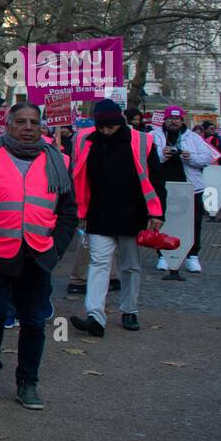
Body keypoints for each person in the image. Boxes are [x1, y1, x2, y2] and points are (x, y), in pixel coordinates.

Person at [0, 103, 77, 409]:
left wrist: (56, 248)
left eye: (34, 122)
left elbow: (69, 213)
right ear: (8, 125)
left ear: (41, 126)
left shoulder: (59, 160)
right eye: (21, 121)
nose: (28, 127)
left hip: (38, 254)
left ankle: (28, 381)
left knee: (33, 322)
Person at [68, 99, 163, 337]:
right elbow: (78, 177)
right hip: (99, 213)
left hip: (133, 213)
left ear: (119, 122)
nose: (106, 130)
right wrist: (80, 211)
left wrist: (157, 213)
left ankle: (129, 309)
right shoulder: (84, 140)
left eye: (111, 126)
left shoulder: (142, 141)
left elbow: (156, 180)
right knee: (99, 263)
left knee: (130, 265)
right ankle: (95, 316)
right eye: (102, 126)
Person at [150, 105, 218, 272]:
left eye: (177, 119)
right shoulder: (153, 136)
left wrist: (190, 157)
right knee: (163, 222)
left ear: (182, 120)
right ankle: (163, 256)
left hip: (191, 187)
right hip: (163, 187)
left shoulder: (193, 137)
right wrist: (161, 155)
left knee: (194, 222)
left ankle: (192, 256)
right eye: (171, 119)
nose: (174, 122)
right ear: (165, 120)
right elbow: (145, 159)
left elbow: (208, 157)